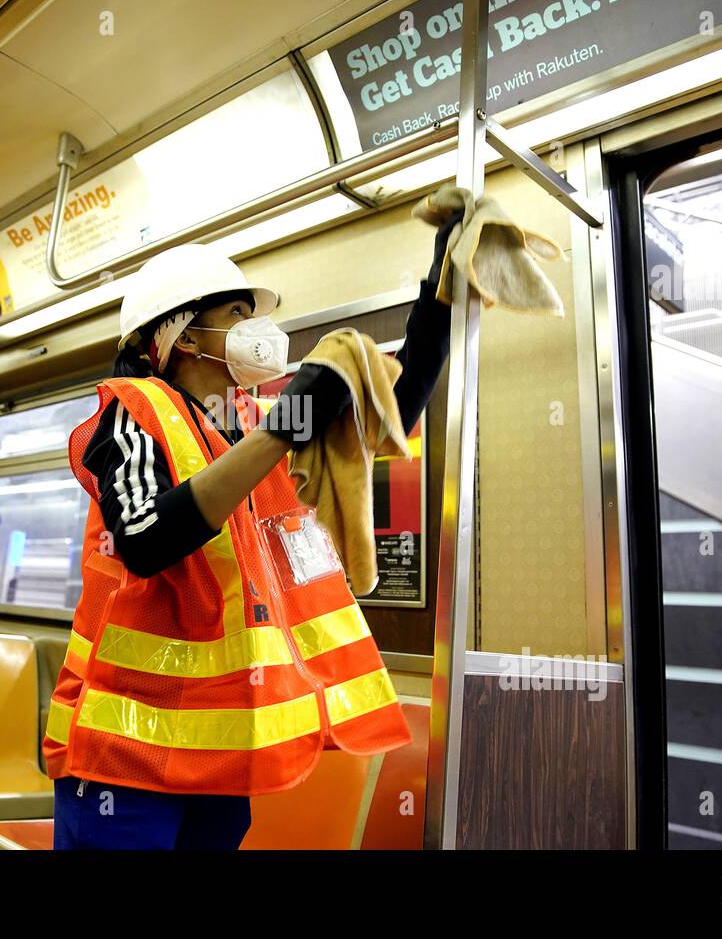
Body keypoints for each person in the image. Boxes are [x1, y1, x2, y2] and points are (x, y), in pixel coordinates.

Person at [43, 212, 461, 850]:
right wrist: (285, 427)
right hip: (123, 753)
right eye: (237, 313)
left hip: (221, 747)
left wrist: (443, 284)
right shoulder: (132, 413)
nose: (257, 328)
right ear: (182, 335)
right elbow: (147, 539)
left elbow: (392, 407)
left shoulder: (257, 419)